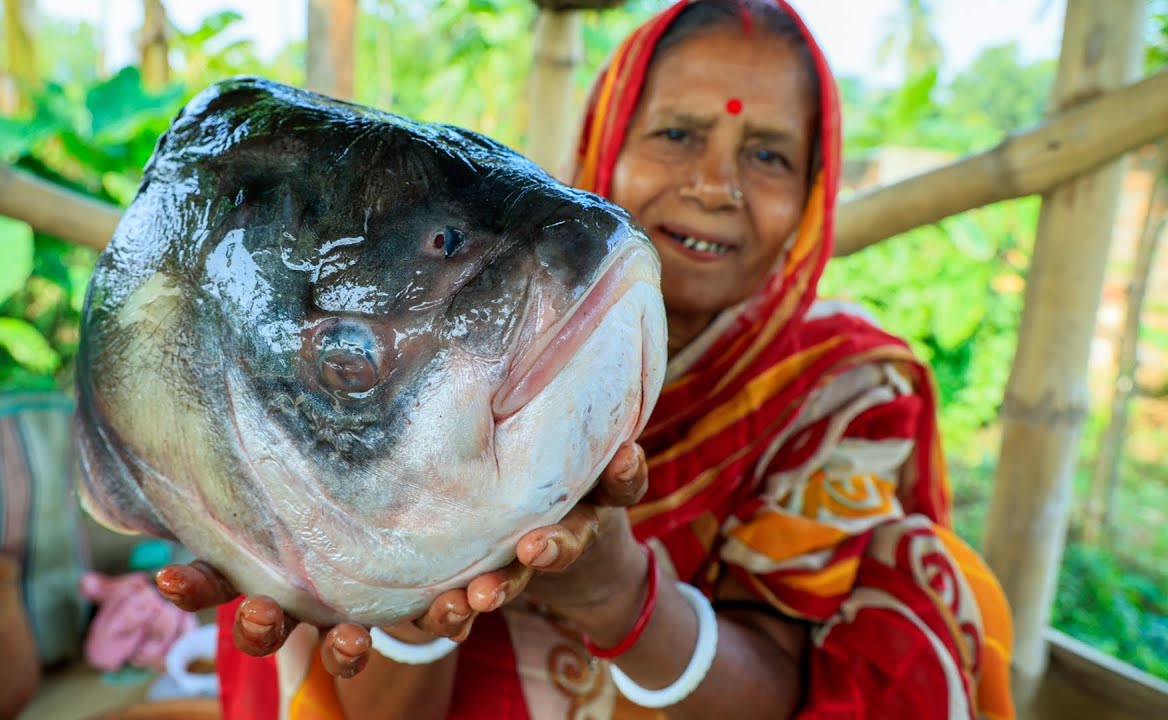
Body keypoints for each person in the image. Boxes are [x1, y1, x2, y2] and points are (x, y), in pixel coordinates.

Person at [154, 1, 1015, 717]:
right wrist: (406, 570)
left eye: (768, 155)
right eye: (676, 134)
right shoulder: (440, 329)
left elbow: (781, 694)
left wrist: (614, 587)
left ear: (811, 193)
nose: (716, 186)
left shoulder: (839, 389)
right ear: (606, 141)